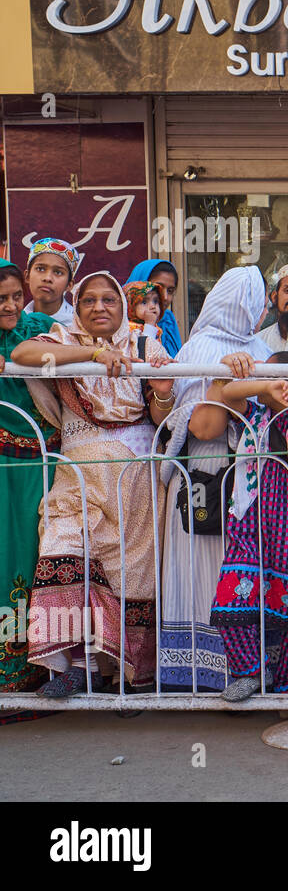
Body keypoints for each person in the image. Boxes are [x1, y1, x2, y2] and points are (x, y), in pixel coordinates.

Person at [13, 272, 175, 696]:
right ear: (77, 304)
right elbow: (24, 352)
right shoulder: (61, 337)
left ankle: (129, 677)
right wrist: (92, 353)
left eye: (109, 300)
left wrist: (161, 392)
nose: (100, 307)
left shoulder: (143, 343)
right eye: (89, 300)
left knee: (131, 581)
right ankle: (75, 665)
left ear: (123, 306)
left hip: (135, 484)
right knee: (62, 549)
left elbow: (161, 419)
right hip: (77, 480)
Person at [156, 267, 270, 691]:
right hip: (219, 471)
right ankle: (226, 670)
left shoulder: (234, 345)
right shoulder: (215, 347)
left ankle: (220, 670)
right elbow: (201, 426)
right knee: (218, 568)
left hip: (227, 473)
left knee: (221, 569)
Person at [204, 357, 288, 701]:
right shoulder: (253, 416)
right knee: (230, 600)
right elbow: (228, 391)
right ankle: (251, 671)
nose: (281, 385)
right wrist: (265, 385)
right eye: (275, 378)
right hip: (250, 523)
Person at [0, 259, 59, 693]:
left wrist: (96, 354)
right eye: (1, 299)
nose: (12, 305)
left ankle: (41, 666)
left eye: (16, 295)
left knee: (39, 557)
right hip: (4, 465)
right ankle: (8, 669)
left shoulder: (39, 325)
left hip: (42, 461)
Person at [126, 259, 182, 356]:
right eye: (158, 287)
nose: (164, 297)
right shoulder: (118, 322)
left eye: (170, 291)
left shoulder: (167, 319)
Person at [23, 237, 79, 327]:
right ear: (27, 276)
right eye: (40, 269)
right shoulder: (16, 322)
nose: (47, 278)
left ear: (69, 285)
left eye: (58, 272)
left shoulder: (78, 326)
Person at [123, 281, 163, 355]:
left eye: (155, 301)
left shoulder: (157, 329)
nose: (153, 306)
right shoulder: (127, 329)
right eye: (144, 302)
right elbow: (144, 352)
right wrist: (149, 325)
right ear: (130, 305)